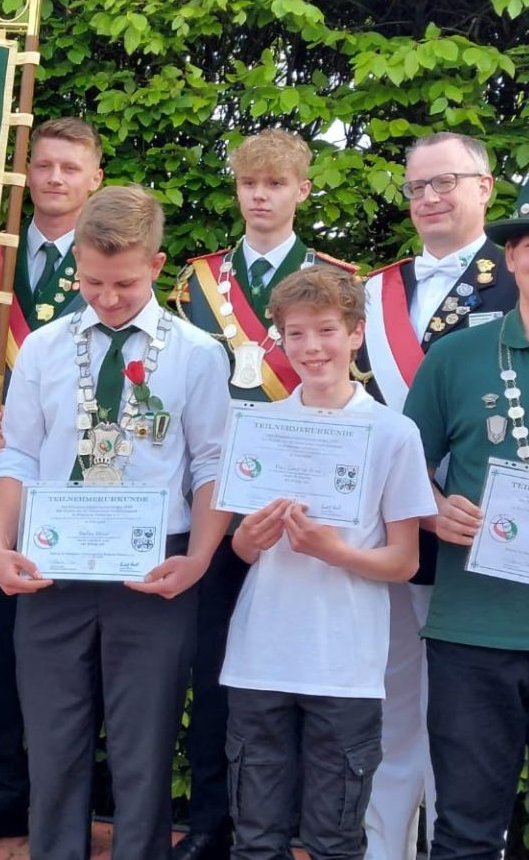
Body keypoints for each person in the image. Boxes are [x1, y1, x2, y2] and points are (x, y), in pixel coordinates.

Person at [0, 185, 232, 860]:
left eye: (122, 282)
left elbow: (213, 464)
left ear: (156, 264)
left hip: (156, 566)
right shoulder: (44, 348)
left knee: (142, 741)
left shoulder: (196, 352)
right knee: (54, 739)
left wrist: (201, 559)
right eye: (91, 281)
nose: (107, 296)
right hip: (52, 563)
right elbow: (21, 451)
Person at [167, 128, 358, 860]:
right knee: (214, 665)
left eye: (276, 183)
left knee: (313, 663)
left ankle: (314, 823)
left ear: (302, 191)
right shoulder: (198, 281)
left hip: (307, 496)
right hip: (222, 499)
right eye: (250, 182)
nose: (260, 195)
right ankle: (215, 815)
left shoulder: (337, 279)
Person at [221, 265, 436, 860]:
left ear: (356, 334)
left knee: (335, 839)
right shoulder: (260, 425)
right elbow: (240, 548)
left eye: (325, 331)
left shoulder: (394, 433)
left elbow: (404, 560)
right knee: (256, 838)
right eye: (295, 334)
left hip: (345, 662)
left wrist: (335, 552)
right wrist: (253, 539)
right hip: (259, 655)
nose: (311, 348)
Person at [357, 132, 518, 860]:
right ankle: (385, 849)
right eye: (417, 187)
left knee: (479, 720)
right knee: (394, 707)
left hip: (485, 535)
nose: (428, 198)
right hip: (394, 530)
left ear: (486, 187)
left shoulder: (524, 283)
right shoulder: (375, 290)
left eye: (445, 182)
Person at [402, 173, 529, 860]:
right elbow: (401, 475)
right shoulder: (455, 356)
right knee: (464, 832)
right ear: (513, 257)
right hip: (472, 632)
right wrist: (435, 511)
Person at [0, 115, 104, 846]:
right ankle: (3, 791)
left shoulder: (114, 262)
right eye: (42, 166)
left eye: (68, 168)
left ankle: (66, 797)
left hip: (86, 482)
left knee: (78, 646)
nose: (52, 179)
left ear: (94, 179)